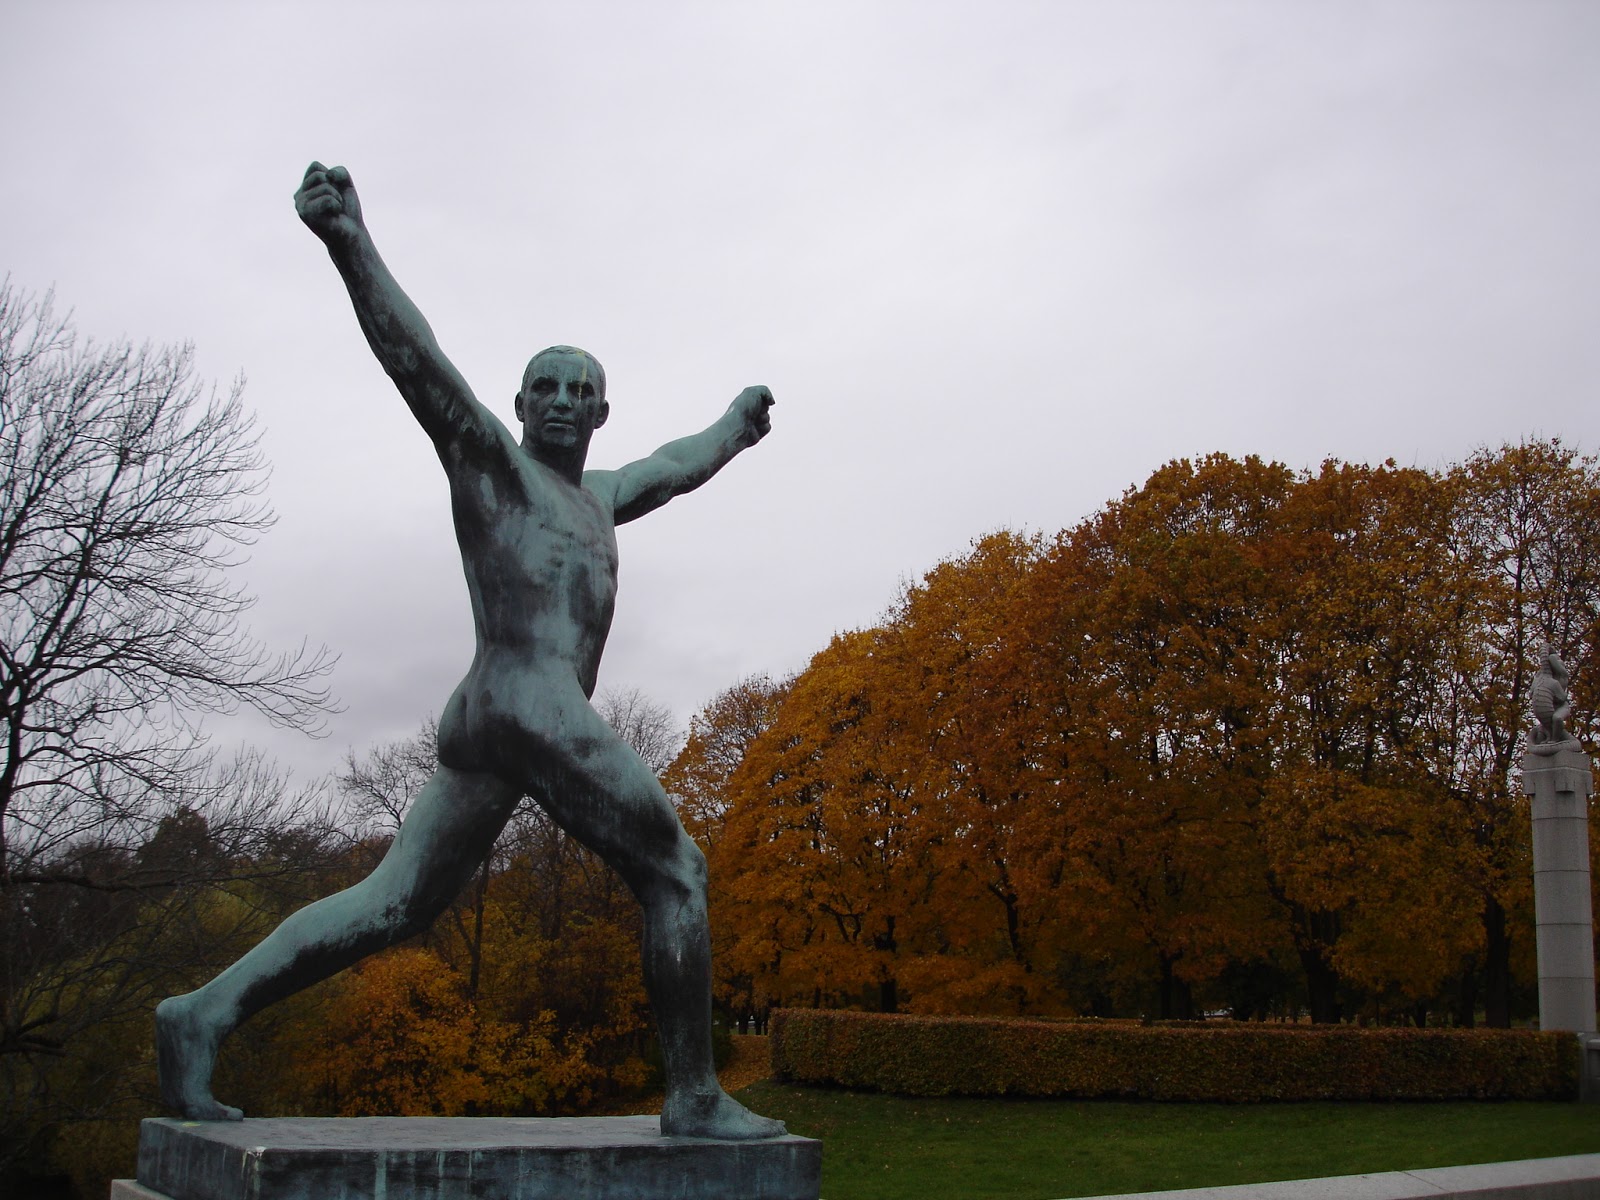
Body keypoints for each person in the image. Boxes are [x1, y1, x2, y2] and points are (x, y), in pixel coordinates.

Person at [155, 162, 784, 1140]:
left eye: (583, 391)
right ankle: (696, 1096)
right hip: (527, 696)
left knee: (394, 905)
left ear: (601, 412)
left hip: (496, 719)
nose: (565, 402)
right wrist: (350, 243)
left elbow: (676, 464)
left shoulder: (603, 496)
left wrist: (736, 431)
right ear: (522, 404)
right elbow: (422, 364)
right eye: (547, 388)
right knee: (676, 872)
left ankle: (201, 1015)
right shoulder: (492, 465)